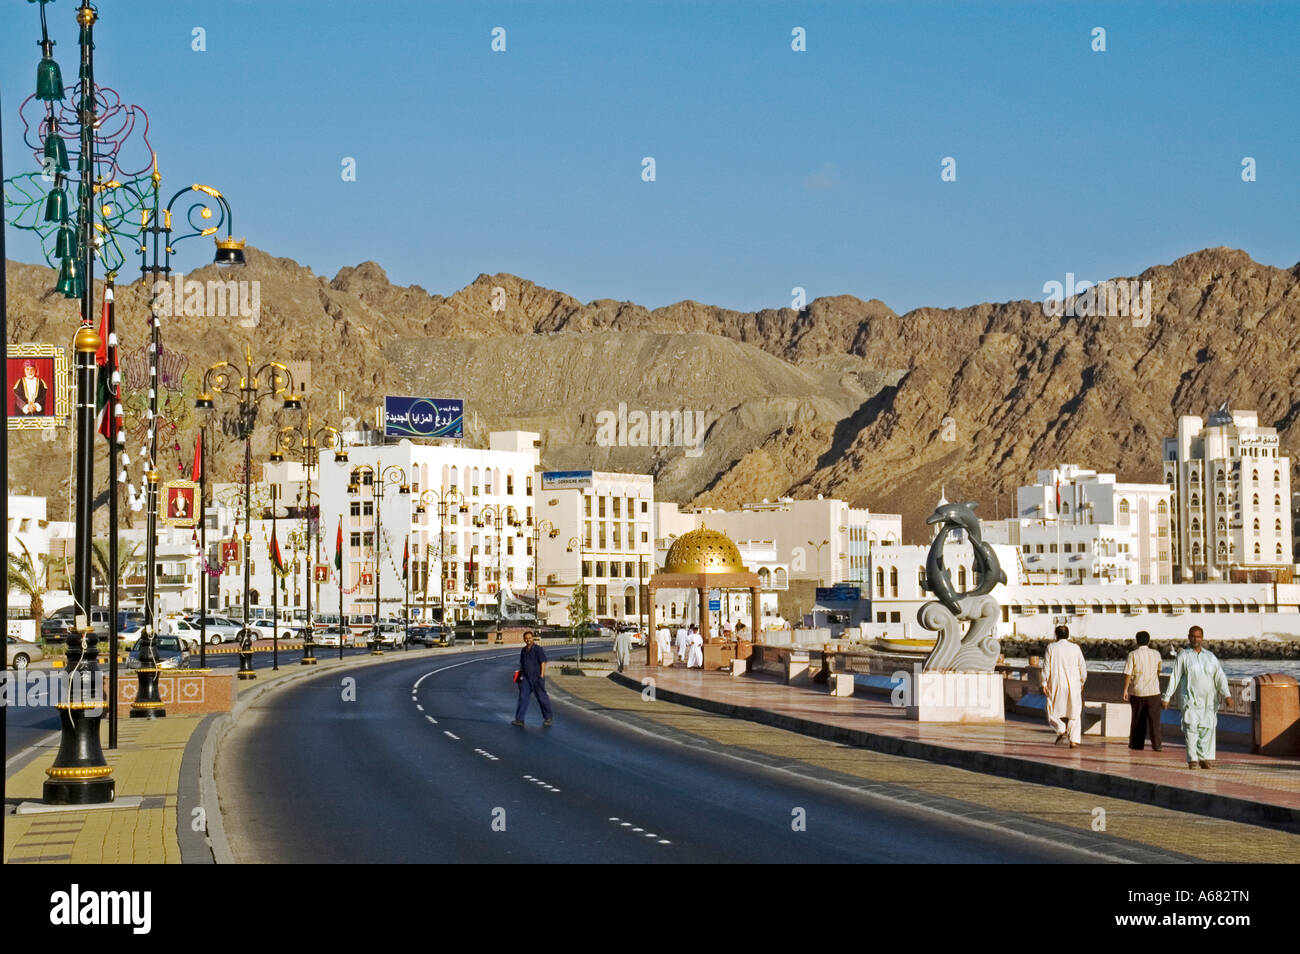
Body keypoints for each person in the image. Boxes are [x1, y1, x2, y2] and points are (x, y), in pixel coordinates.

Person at [1162, 626, 1231, 769]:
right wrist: (1166, 696)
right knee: (1191, 728)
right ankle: (1192, 759)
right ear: (1189, 637)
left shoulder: (1210, 656)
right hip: (1190, 699)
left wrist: (1227, 694)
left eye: (1198, 636)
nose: (1196, 639)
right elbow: (1175, 677)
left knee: (1207, 728)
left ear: (1202, 638)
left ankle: (1204, 758)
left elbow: (1220, 677)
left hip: (1209, 701)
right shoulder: (1184, 655)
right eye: (1193, 636)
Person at [1042, 624, 1087, 748]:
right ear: (1068, 634)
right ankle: (1074, 740)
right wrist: (1082, 681)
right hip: (1074, 684)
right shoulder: (1076, 648)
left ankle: (1061, 729)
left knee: (1051, 710)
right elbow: (1082, 667)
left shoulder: (1051, 647)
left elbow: (1046, 666)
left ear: (1056, 634)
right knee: (1074, 712)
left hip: (1056, 683)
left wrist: (1044, 682)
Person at [1122, 630, 1164, 752]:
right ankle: (1157, 745)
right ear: (1148, 640)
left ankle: (1136, 745)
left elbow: (1128, 673)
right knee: (1154, 721)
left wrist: (1125, 690)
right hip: (1154, 692)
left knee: (1137, 720)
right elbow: (1159, 670)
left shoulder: (1133, 654)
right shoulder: (1156, 654)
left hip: (1137, 691)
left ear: (1137, 641)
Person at [513, 629, 553, 727]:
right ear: (524, 639)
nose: (528, 640)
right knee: (523, 698)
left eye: (530, 638)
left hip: (536, 677)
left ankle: (548, 717)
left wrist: (541, 676)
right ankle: (520, 720)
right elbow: (522, 664)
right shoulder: (523, 650)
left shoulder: (538, 649)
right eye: (526, 639)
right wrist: (518, 678)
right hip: (526, 678)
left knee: (542, 698)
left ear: (533, 638)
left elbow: (543, 662)